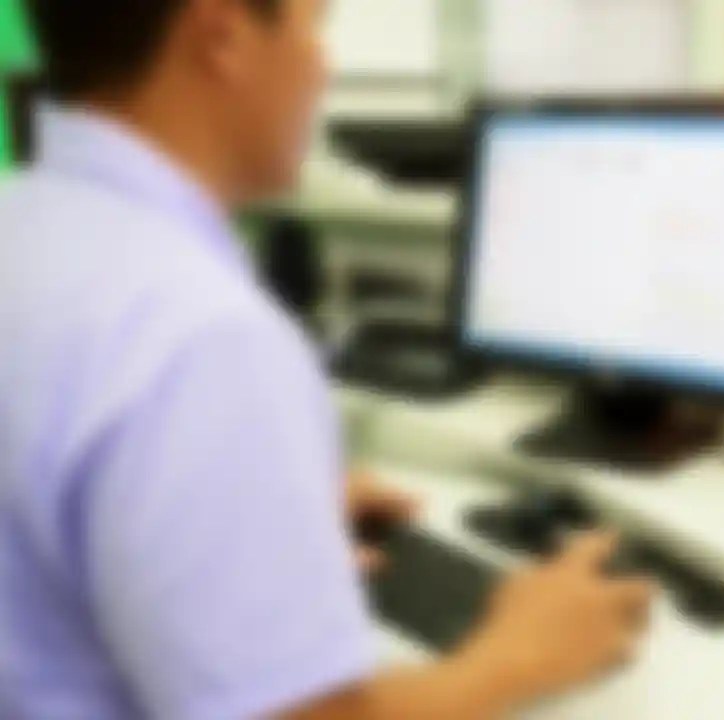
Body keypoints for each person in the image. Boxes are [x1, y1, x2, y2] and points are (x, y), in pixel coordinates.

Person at [0, 1, 653, 718]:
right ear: (223, 41)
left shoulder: (28, 225)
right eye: (316, 27)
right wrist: (516, 655)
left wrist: (255, 508)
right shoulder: (200, 336)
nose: (325, 66)